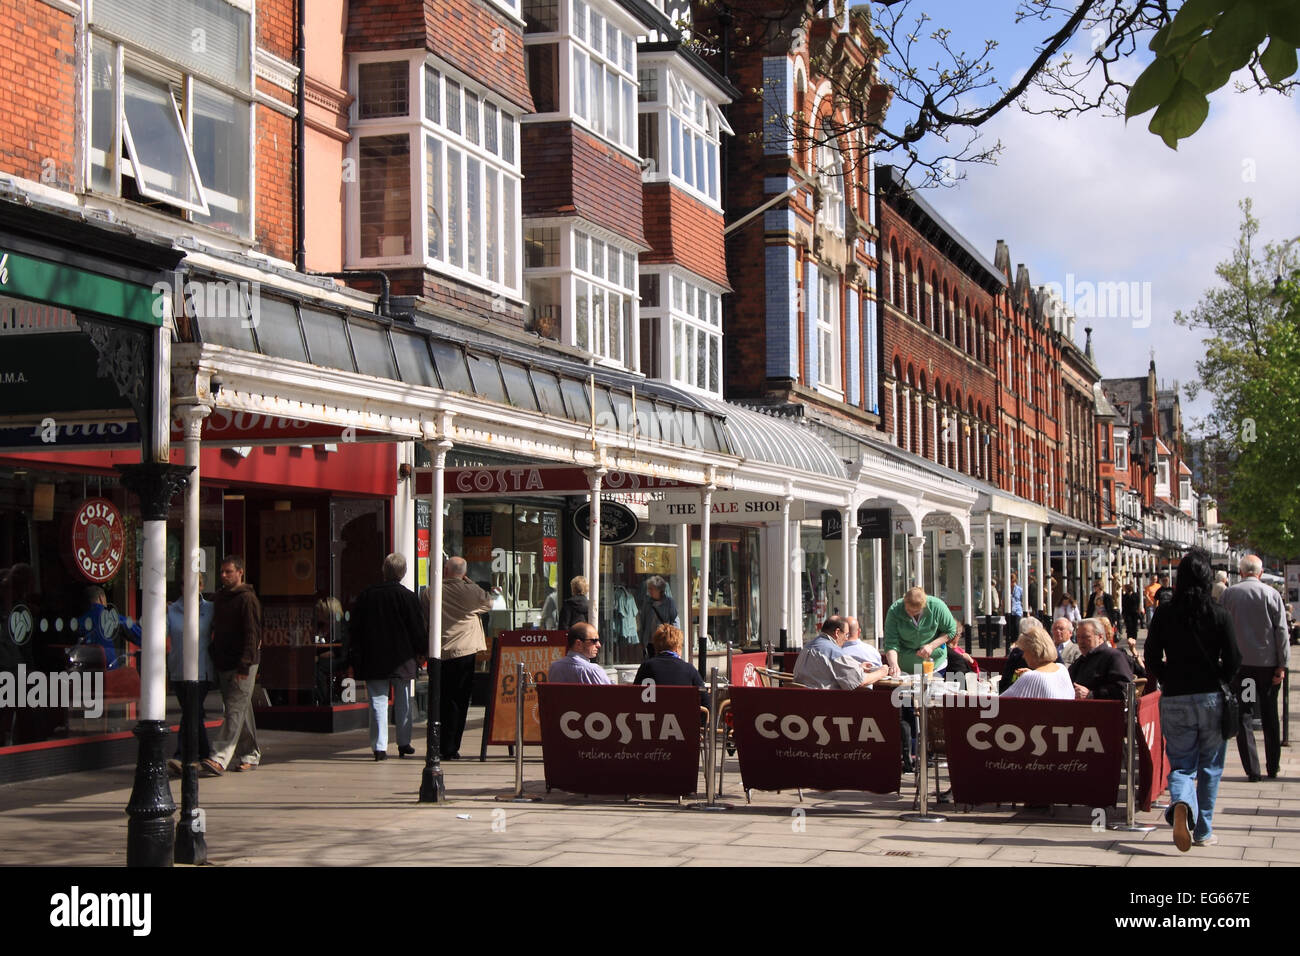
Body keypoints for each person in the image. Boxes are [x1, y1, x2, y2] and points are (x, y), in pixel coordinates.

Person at [1144, 548, 1241, 849]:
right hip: (1211, 696)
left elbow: (1150, 655)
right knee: (1210, 766)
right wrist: (1221, 677)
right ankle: (1203, 830)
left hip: (1175, 697)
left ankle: (1182, 802)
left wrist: (1167, 675)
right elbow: (1235, 658)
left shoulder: (1165, 612)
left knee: (1182, 764)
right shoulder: (1219, 613)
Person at [1220, 554, 1289, 781]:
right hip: (1267, 667)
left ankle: (1253, 769)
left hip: (1244, 667)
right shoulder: (1271, 594)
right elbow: (1281, 631)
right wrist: (1282, 664)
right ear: (1260, 573)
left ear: (1240, 573)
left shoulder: (1229, 595)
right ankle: (1273, 765)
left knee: (1245, 714)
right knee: (1270, 714)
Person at [350, 554, 424, 761]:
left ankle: (379, 746)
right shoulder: (408, 597)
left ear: (384, 570)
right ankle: (403, 742)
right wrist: (421, 652)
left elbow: (356, 628)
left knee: (377, 701)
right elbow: (417, 629)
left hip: (375, 656)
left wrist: (355, 653)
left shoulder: (367, 595)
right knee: (404, 701)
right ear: (403, 572)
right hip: (403, 657)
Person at [203, 555, 262, 775]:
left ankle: (218, 757)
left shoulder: (247, 599)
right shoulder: (220, 598)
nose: (224, 575)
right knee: (240, 711)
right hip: (224, 662)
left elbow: (252, 635)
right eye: (222, 572)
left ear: (240, 572)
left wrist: (245, 666)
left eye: (229, 571)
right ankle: (250, 754)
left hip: (242, 664)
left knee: (234, 711)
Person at [439, 556, 496, 760]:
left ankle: (439, 744)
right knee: (460, 701)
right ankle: (452, 747)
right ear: (463, 573)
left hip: (440, 652)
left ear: (445, 570)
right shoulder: (472, 591)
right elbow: (489, 601)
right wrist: (469, 581)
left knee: (441, 700)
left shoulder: (432, 591)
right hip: (464, 652)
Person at [165, 575, 214, 777]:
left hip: (202, 670)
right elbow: (161, 634)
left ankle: (181, 755)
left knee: (191, 711)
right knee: (194, 713)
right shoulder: (171, 610)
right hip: (179, 670)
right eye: (186, 584)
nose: (191, 588)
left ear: (202, 586)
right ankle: (204, 754)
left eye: (196, 584)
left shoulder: (210, 609)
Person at [793, 615, 889, 690]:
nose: (847, 639)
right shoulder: (834, 652)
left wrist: (858, 666)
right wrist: (882, 672)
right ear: (837, 632)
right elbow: (859, 681)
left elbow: (824, 670)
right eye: (846, 634)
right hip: (826, 705)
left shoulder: (808, 646)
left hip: (802, 701)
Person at [883, 586, 958, 678]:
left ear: (924, 605)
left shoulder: (937, 606)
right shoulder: (894, 610)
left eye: (916, 612)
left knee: (931, 691)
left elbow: (951, 630)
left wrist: (931, 646)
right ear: (904, 601)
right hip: (905, 668)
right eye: (908, 610)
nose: (911, 614)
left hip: (934, 665)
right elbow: (891, 643)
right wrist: (894, 664)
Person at [635, 624, 706, 706]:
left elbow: (633, 698)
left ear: (656, 647)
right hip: (682, 717)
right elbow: (706, 703)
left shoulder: (646, 667)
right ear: (677, 648)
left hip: (652, 717)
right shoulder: (689, 669)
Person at [1001, 622, 1074, 699]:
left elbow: (1002, 702)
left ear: (1034, 651)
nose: (1023, 656)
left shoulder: (1030, 677)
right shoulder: (1062, 668)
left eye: (1025, 651)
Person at [1068, 617, 1134, 700]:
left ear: (1100, 637)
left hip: (1104, 710)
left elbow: (1124, 690)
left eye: (1085, 637)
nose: (1081, 641)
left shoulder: (1114, 656)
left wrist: (1091, 694)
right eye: (1078, 637)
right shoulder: (1081, 661)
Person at [547, 622, 612, 684]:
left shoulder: (554, 668)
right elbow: (610, 694)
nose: (599, 645)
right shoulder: (592, 670)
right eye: (594, 641)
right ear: (578, 644)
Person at [637, 576, 678, 651]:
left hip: (664, 641)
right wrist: (642, 640)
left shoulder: (669, 602)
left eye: (651, 589)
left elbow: (675, 621)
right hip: (650, 641)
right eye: (649, 588)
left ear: (659, 590)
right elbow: (643, 622)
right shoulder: (647, 602)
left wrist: (675, 640)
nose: (649, 591)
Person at [1006, 572, 1024, 649]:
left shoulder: (1019, 589)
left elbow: (1023, 600)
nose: (1012, 584)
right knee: (1010, 629)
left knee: (1016, 628)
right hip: (1009, 611)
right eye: (1011, 582)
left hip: (1017, 611)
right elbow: (1003, 600)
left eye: (1013, 582)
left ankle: (1016, 644)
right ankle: (1010, 645)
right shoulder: (1006, 590)